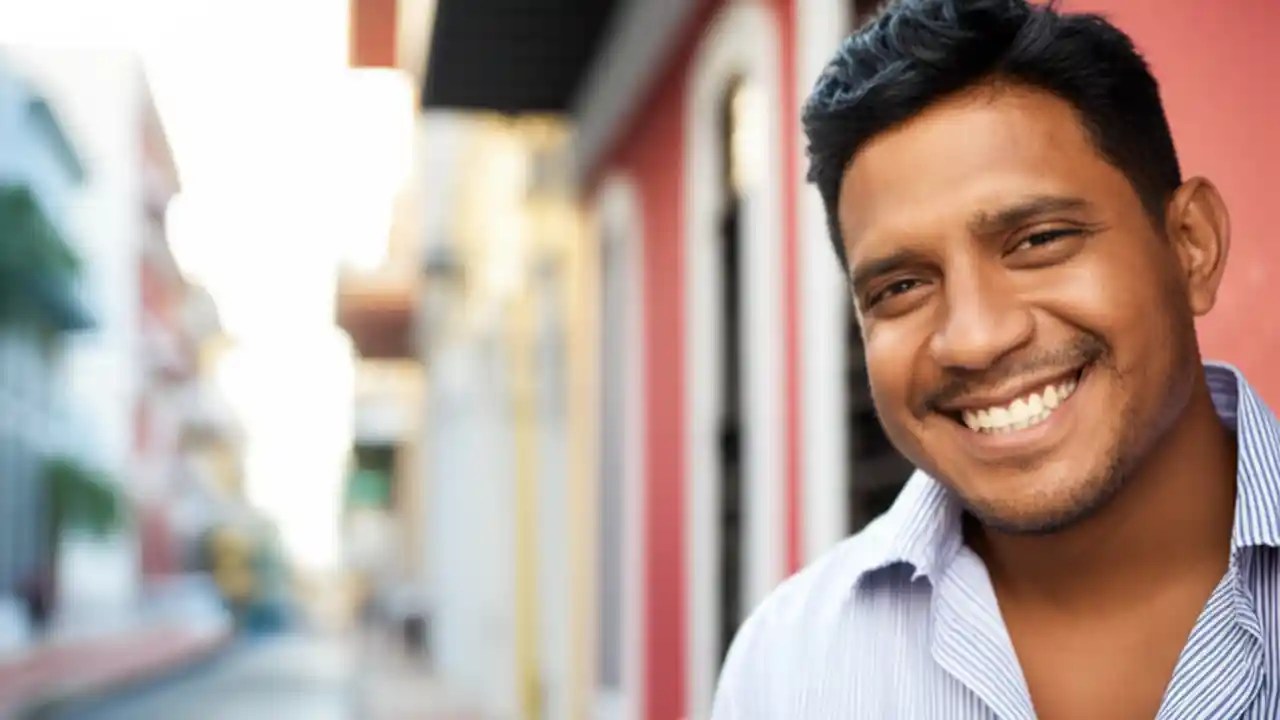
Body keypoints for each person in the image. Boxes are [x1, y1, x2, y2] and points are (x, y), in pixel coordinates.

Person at [712, 0, 1278, 718]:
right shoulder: (787, 669)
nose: (974, 338)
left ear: (1191, 245)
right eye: (903, 286)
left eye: (1039, 240)